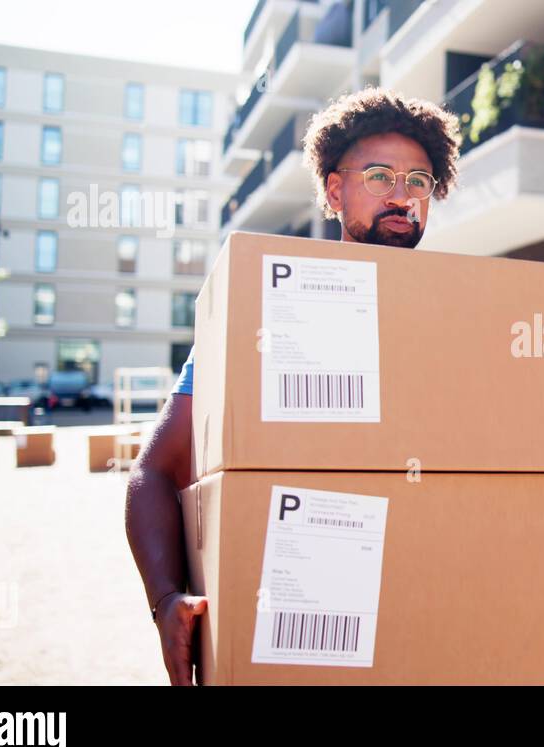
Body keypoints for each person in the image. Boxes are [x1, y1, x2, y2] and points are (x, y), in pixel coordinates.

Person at [125, 87, 462, 685]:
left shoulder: (464, 323)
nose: (402, 195)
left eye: (418, 180)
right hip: (291, 636)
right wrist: (164, 603)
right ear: (334, 190)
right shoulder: (268, 310)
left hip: (433, 638)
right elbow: (155, 471)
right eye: (380, 175)